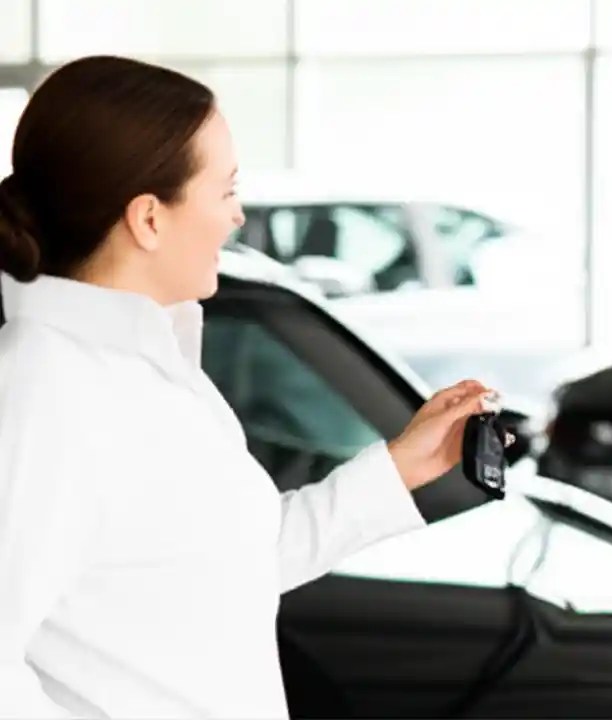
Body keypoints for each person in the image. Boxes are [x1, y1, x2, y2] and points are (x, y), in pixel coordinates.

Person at [0, 55, 497, 718]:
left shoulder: (152, 366)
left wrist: (402, 466)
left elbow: (230, 568)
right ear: (149, 219)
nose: (238, 217)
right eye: (226, 190)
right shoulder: (41, 387)